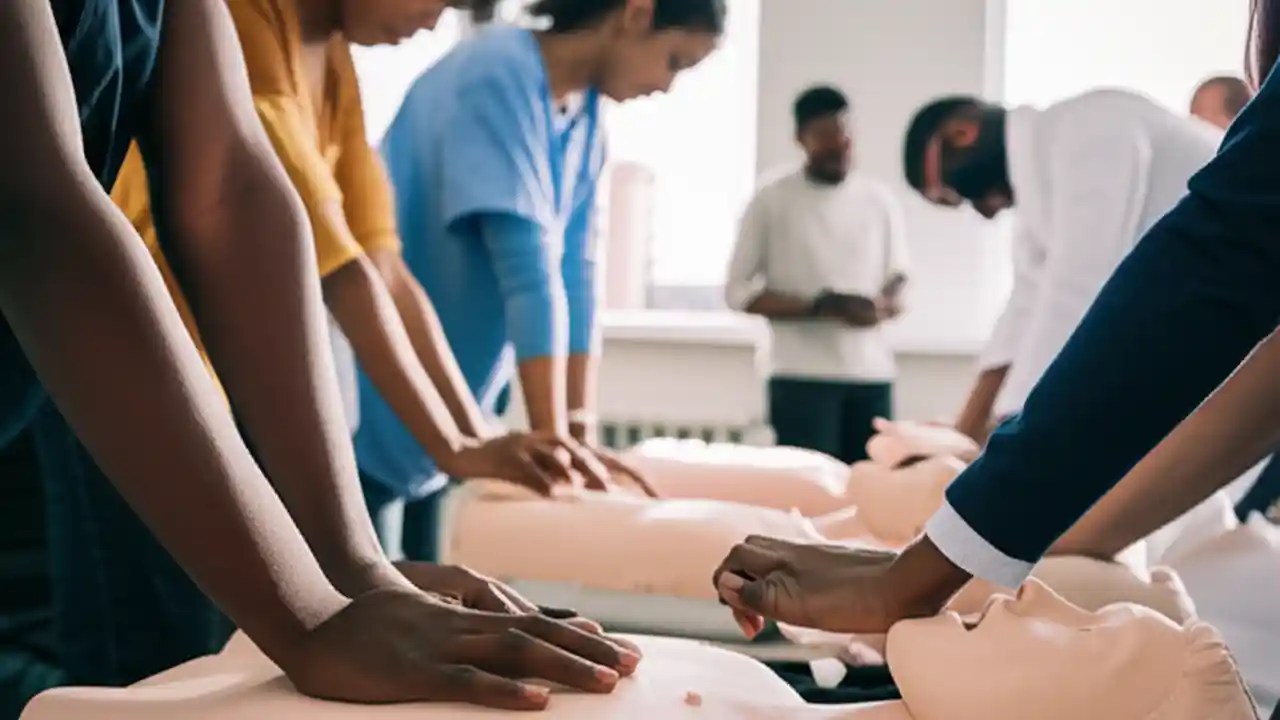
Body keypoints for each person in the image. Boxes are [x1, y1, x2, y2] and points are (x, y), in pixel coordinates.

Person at [0, 0, 638, 710]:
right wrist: (308, 617)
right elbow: (36, 208)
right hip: (114, 387)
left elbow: (232, 193)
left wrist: (352, 564)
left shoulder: (327, 65)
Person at [710, 0, 1280, 678]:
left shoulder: (1087, 130)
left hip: (1219, 370)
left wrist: (942, 544)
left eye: (955, 191)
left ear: (958, 133)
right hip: (1227, 377)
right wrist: (972, 443)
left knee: (1203, 571)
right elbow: (1027, 312)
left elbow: (1116, 289)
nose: (977, 207)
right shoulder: (1042, 188)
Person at [109, 0, 612, 566]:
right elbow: (340, 270)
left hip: (219, 396)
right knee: (158, 635)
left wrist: (473, 437)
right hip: (135, 364)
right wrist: (453, 446)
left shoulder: (336, 61)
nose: (431, 23)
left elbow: (385, 270)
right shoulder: (246, 20)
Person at [358, 0, 723, 534]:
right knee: (361, 585)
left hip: (458, 410)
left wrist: (578, 433)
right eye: (674, 61)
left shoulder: (584, 115)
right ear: (636, 14)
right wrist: (557, 452)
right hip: (382, 394)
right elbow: (529, 273)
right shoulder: (498, 71)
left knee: (424, 586)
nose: (667, 86)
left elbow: (576, 276)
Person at [900, 89, 1220, 443]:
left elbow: (1079, 288)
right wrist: (966, 432)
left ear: (963, 133)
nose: (984, 212)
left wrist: (1008, 433)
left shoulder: (1087, 128)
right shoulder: (1039, 199)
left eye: (962, 194)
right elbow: (1021, 317)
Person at [725, 86, 910, 463]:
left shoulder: (879, 200)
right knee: (810, 492)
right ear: (800, 138)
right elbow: (738, 292)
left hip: (870, 376)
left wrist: (877, 308)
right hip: (799, 378)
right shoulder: (771, 199)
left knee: (874, 491)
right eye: (825, 135)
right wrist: (821, 306)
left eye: (844, 134)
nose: (838, 144)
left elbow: (900, 282)